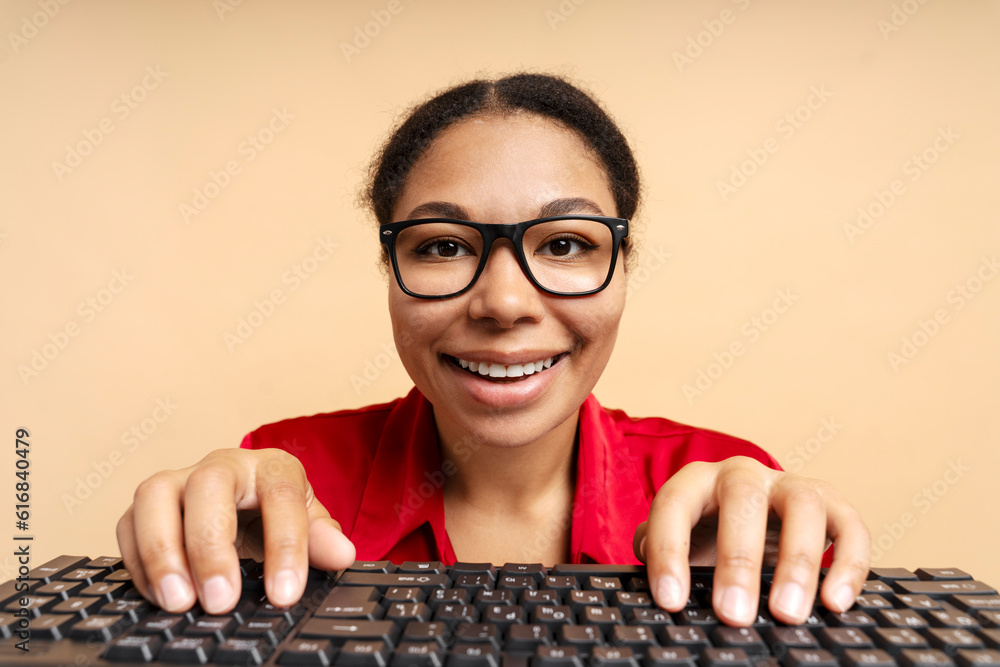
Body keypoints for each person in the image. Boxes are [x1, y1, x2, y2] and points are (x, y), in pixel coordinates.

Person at [116, 73, 870, 628]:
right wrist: (204, 600)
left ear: (625, 265)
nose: (505, 303)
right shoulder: (286, 485)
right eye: (444, 245)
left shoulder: (727, 496)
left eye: (567, 243)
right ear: (389, 271)